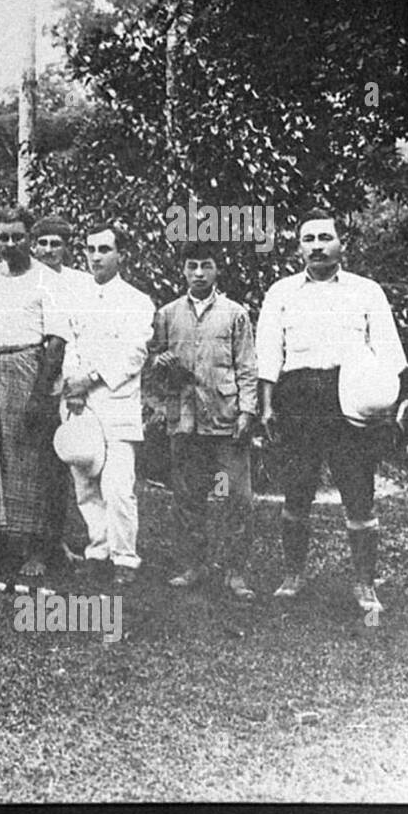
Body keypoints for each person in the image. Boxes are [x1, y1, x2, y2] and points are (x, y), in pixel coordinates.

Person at [255, 209, 408, 613]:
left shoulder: (367, 291)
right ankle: (292, 575)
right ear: (299, 247)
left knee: (359, 493)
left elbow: (390, 353)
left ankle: (364, 584)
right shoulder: (281, 292)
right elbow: (269, 352)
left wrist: (393, 403)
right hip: (299, 397)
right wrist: (268, 406)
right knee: (297, 489)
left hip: (352, 398)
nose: (318, 246)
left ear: (342, 243)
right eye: (309, 239)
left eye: (325, 237)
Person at [0, 207, 67, 577]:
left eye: (17, 236)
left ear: (29, 238)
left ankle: (35, 551)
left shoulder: (45, 279)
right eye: (3, 237)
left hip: (28, 368)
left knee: (28, 458)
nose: (9, 244)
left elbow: (55, 342)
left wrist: (39, 393)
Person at [149, 241, 258, 600]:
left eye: (206, 265)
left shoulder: (234, 313)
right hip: (185, 420)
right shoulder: (167, 314)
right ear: (182, 270)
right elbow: (154, 367)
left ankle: (235, 571)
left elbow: (247, 367)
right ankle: (193, 565)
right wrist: (161, 363)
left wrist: (247, 411)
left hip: (225, 421)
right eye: (192, 266)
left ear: (217, 269)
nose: (199, 273)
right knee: (187, 496)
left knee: (235, 497)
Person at [58, 223, 154, 586]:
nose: (95, 256)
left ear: (121, 255)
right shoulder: (78, 299)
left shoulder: (137, 301)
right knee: (85, 484)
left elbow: (134, 353)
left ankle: (124, 558)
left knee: (117, 486)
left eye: (104, 249)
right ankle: (97, 551)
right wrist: (74, 386)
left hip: (116, 404)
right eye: (90, 249)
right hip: (81, 404)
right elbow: (70, 345)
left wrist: (91, 377)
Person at [30, 212, 90, 562]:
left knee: (60, 467)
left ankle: (57, 540)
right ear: (34, 246)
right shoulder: (24, 279)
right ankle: (30, 546)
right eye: (44, 243)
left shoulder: (79, 283)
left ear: (67, 248)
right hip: (30, 380)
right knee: (31, 466)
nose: (50, 249)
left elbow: (83, 333)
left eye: (57, 243)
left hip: (66, 384)